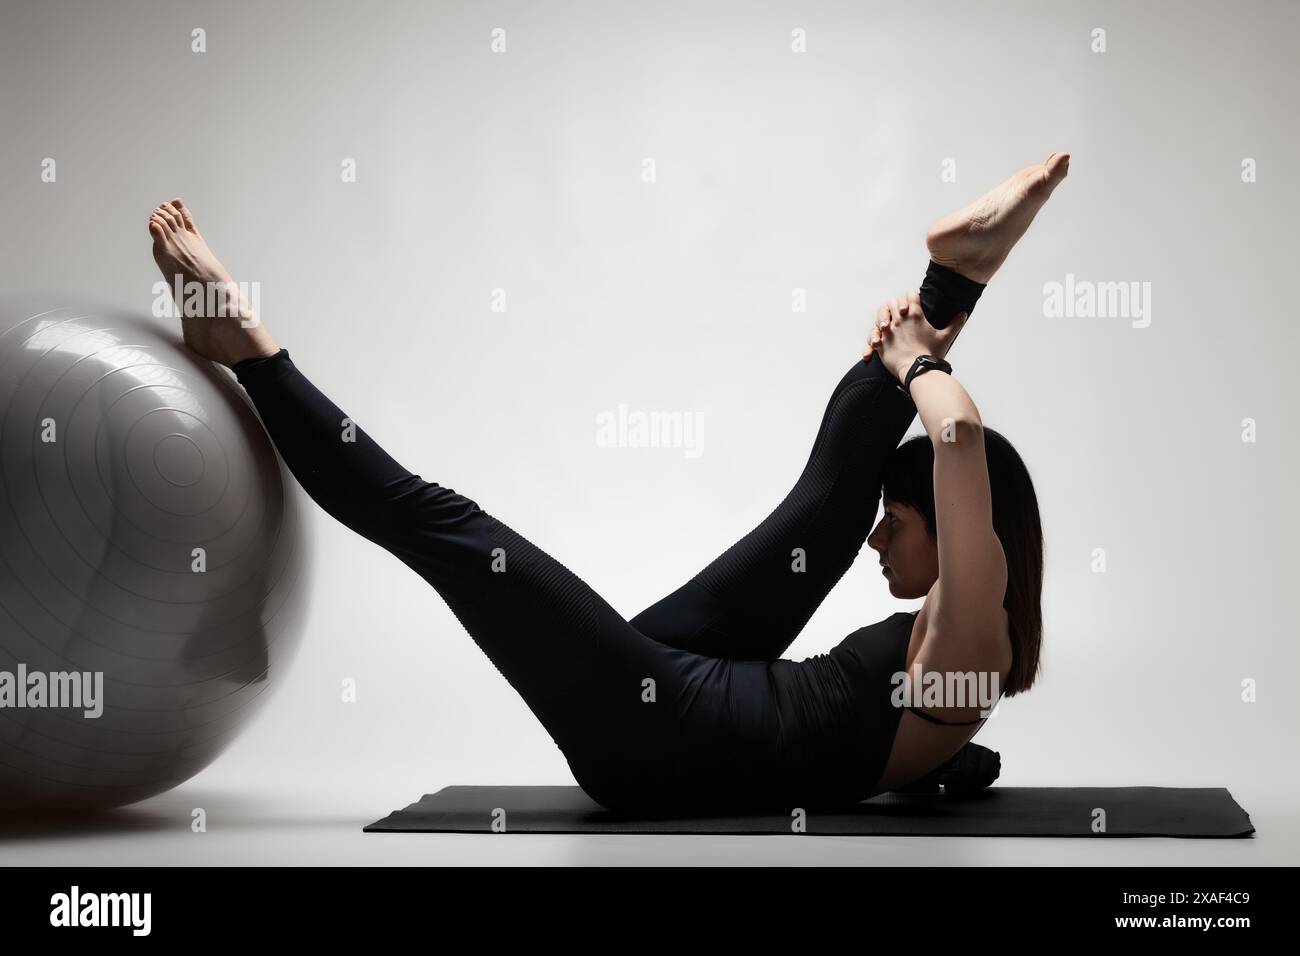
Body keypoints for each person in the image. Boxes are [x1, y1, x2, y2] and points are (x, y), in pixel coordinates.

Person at [145, 152, 1068, 815]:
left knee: (443, 527)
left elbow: (960, 432)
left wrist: (910, 364)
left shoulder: (969, 627)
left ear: (961, 529)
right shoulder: (965, 635)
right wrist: (939, 768)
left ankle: (247, 347)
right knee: (823, 508)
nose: (879, 542)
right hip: (702, 686)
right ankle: (954, 276)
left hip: (660, 742)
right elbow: (887, 722)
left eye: (898, 523)